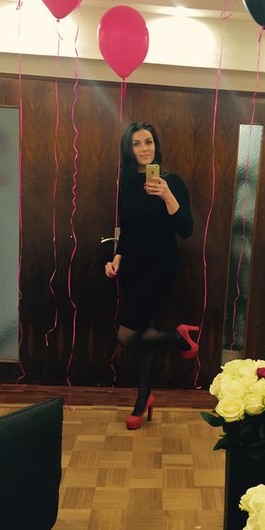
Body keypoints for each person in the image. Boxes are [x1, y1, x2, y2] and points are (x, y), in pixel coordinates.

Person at [105, 121, 199, 430]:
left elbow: (186, 229)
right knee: (141, 332)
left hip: (160, 269)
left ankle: (177, 337)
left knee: (126, 334)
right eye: (137, 143)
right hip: (132, 269)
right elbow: (128, 228)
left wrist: (167, 195)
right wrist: (117, 257)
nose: (144, 148)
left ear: (156, 145)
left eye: (148, 142)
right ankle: (144, 397)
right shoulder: (128, 184)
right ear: (129, 149)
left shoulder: (172, 182)